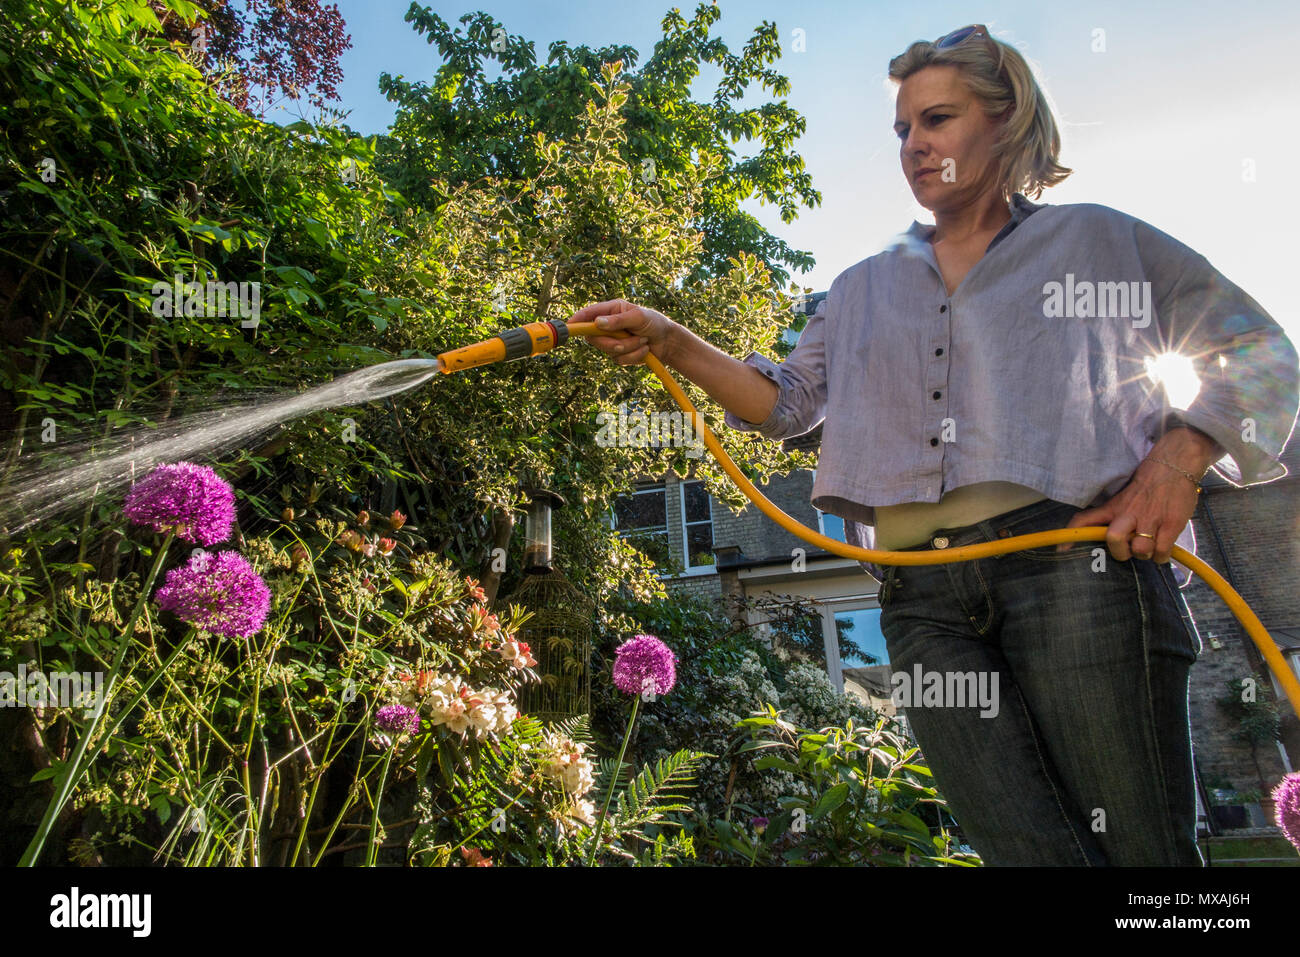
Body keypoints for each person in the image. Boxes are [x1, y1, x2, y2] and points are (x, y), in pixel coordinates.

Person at [567, 24, 1299, 865]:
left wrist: (1178, 460)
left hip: (1079, 569)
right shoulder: (859, 288)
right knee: (1028, 854)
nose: (915, 146)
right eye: (903, 130)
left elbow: (1262, 348)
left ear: (1007, 119)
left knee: (1144, 856)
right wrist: (671, 340)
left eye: (938, 120)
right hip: (919, 603)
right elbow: (786, 406)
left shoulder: (1101, 240)